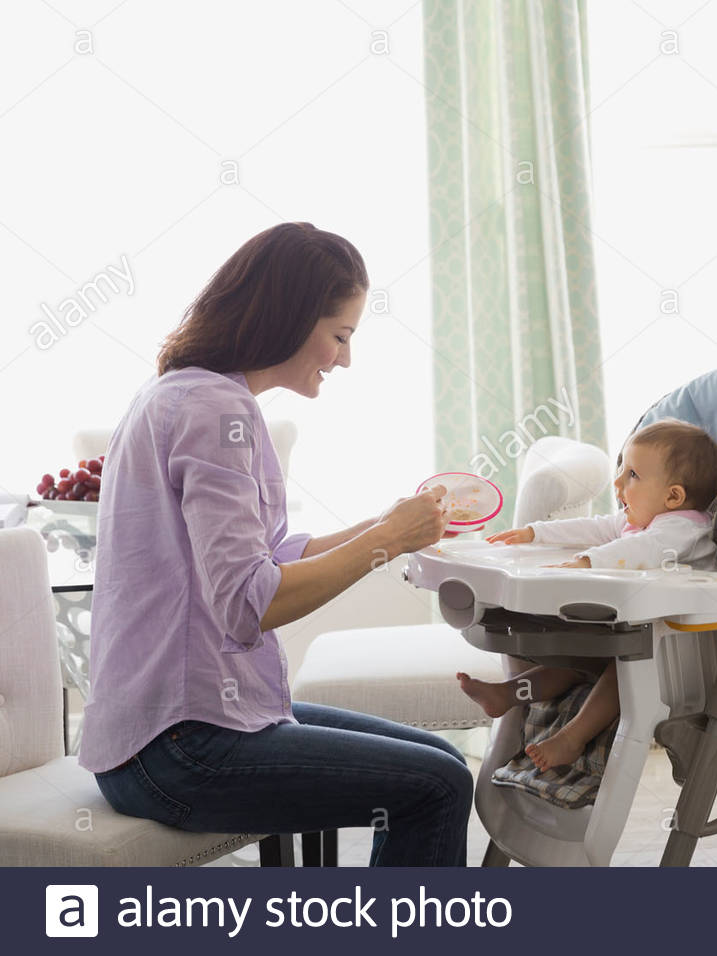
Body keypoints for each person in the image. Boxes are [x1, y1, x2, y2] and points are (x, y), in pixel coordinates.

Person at [79, 222, 473, 866]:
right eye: (340, 335)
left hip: (169, 733)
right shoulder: (217, 410)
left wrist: (388, 528)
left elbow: (269, 558)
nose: (345, 358)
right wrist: (385, 537)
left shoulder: (185, 391)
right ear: (290, 318)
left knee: (443, 761)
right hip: (179, 749)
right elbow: (249, 603)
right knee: (438, 785)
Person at [456, 419, 717, 772]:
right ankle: (507, 694)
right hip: (642, 641)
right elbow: (595, 528)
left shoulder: (682, 529)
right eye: (621, 469)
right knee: (572, 661)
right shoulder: (639, 520)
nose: (617, 483)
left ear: (673, 496)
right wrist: (535, 534)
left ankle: (572, 737)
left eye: (633, 476)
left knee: (618, 670)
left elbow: (642, 550)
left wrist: (588, 562)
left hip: (679, 655)